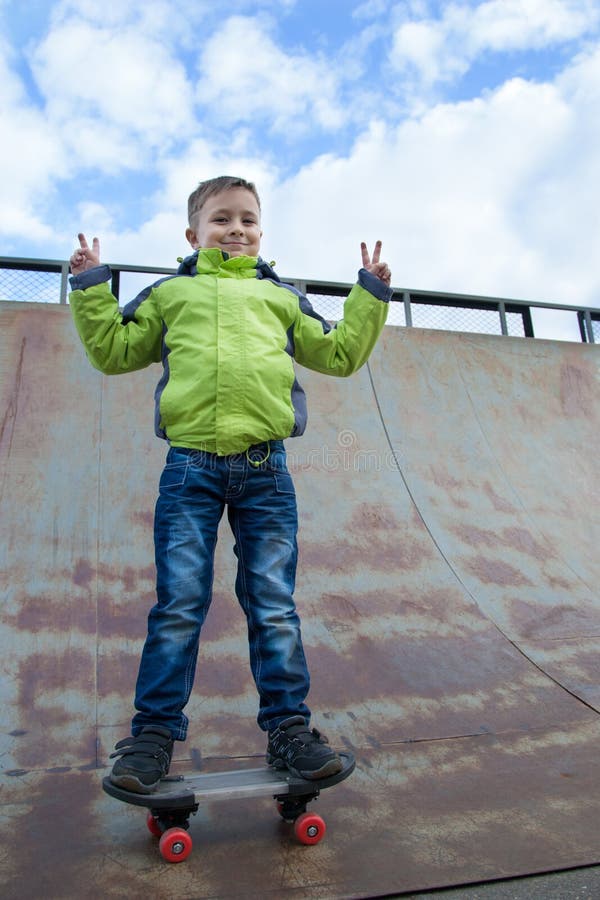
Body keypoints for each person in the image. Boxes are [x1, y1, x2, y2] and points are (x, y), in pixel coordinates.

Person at [69, 175, 392, 794]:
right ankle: (153, 735)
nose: (235, 229)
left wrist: (370, 293)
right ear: (193, 234)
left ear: (261, 233)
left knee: (273, 606)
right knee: (179, 605)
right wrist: (90, 285)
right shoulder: (172, 294)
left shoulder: (283, 299)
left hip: (266, 473)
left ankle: (290, 730)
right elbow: (113, 350)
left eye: (247, 220)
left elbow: (339, 354)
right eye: (221, 220)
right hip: (190, 469)